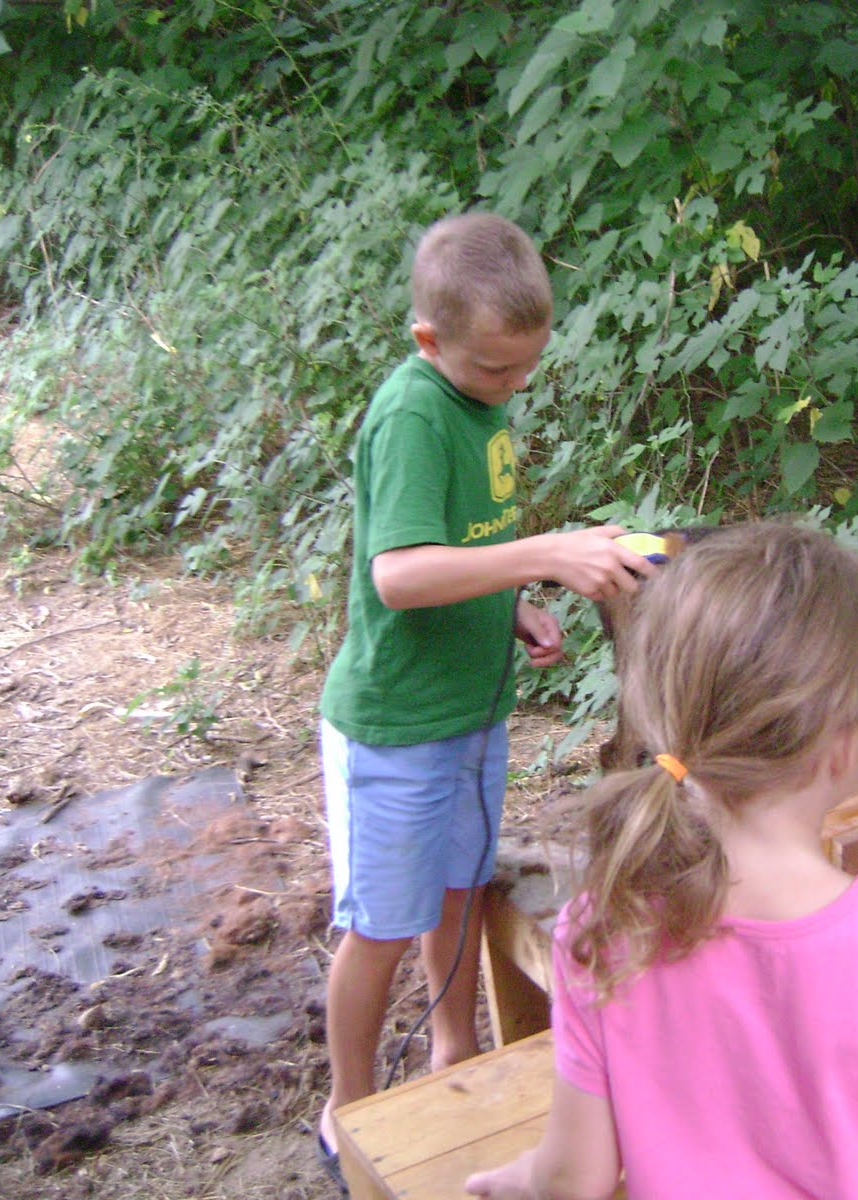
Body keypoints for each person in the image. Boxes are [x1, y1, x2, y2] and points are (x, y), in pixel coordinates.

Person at [463, 523, 858, 1200]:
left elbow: (574, 1180)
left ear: (665, 722)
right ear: (853, 738)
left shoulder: (597, 932)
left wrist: (521, 1180)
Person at [314, 212, 658, 1184]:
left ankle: (453, 1054)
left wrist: (511, 602)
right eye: (495, 371)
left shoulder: (478, 397)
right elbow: (399, 574)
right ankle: (348, 1113)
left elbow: (461, 547)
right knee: (381, 924)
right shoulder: (416, 413)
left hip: (470, 712)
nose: (513, 388)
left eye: (526, 368)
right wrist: (548, 553)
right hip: (395, 728)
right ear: (430, 342)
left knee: (461, 895)